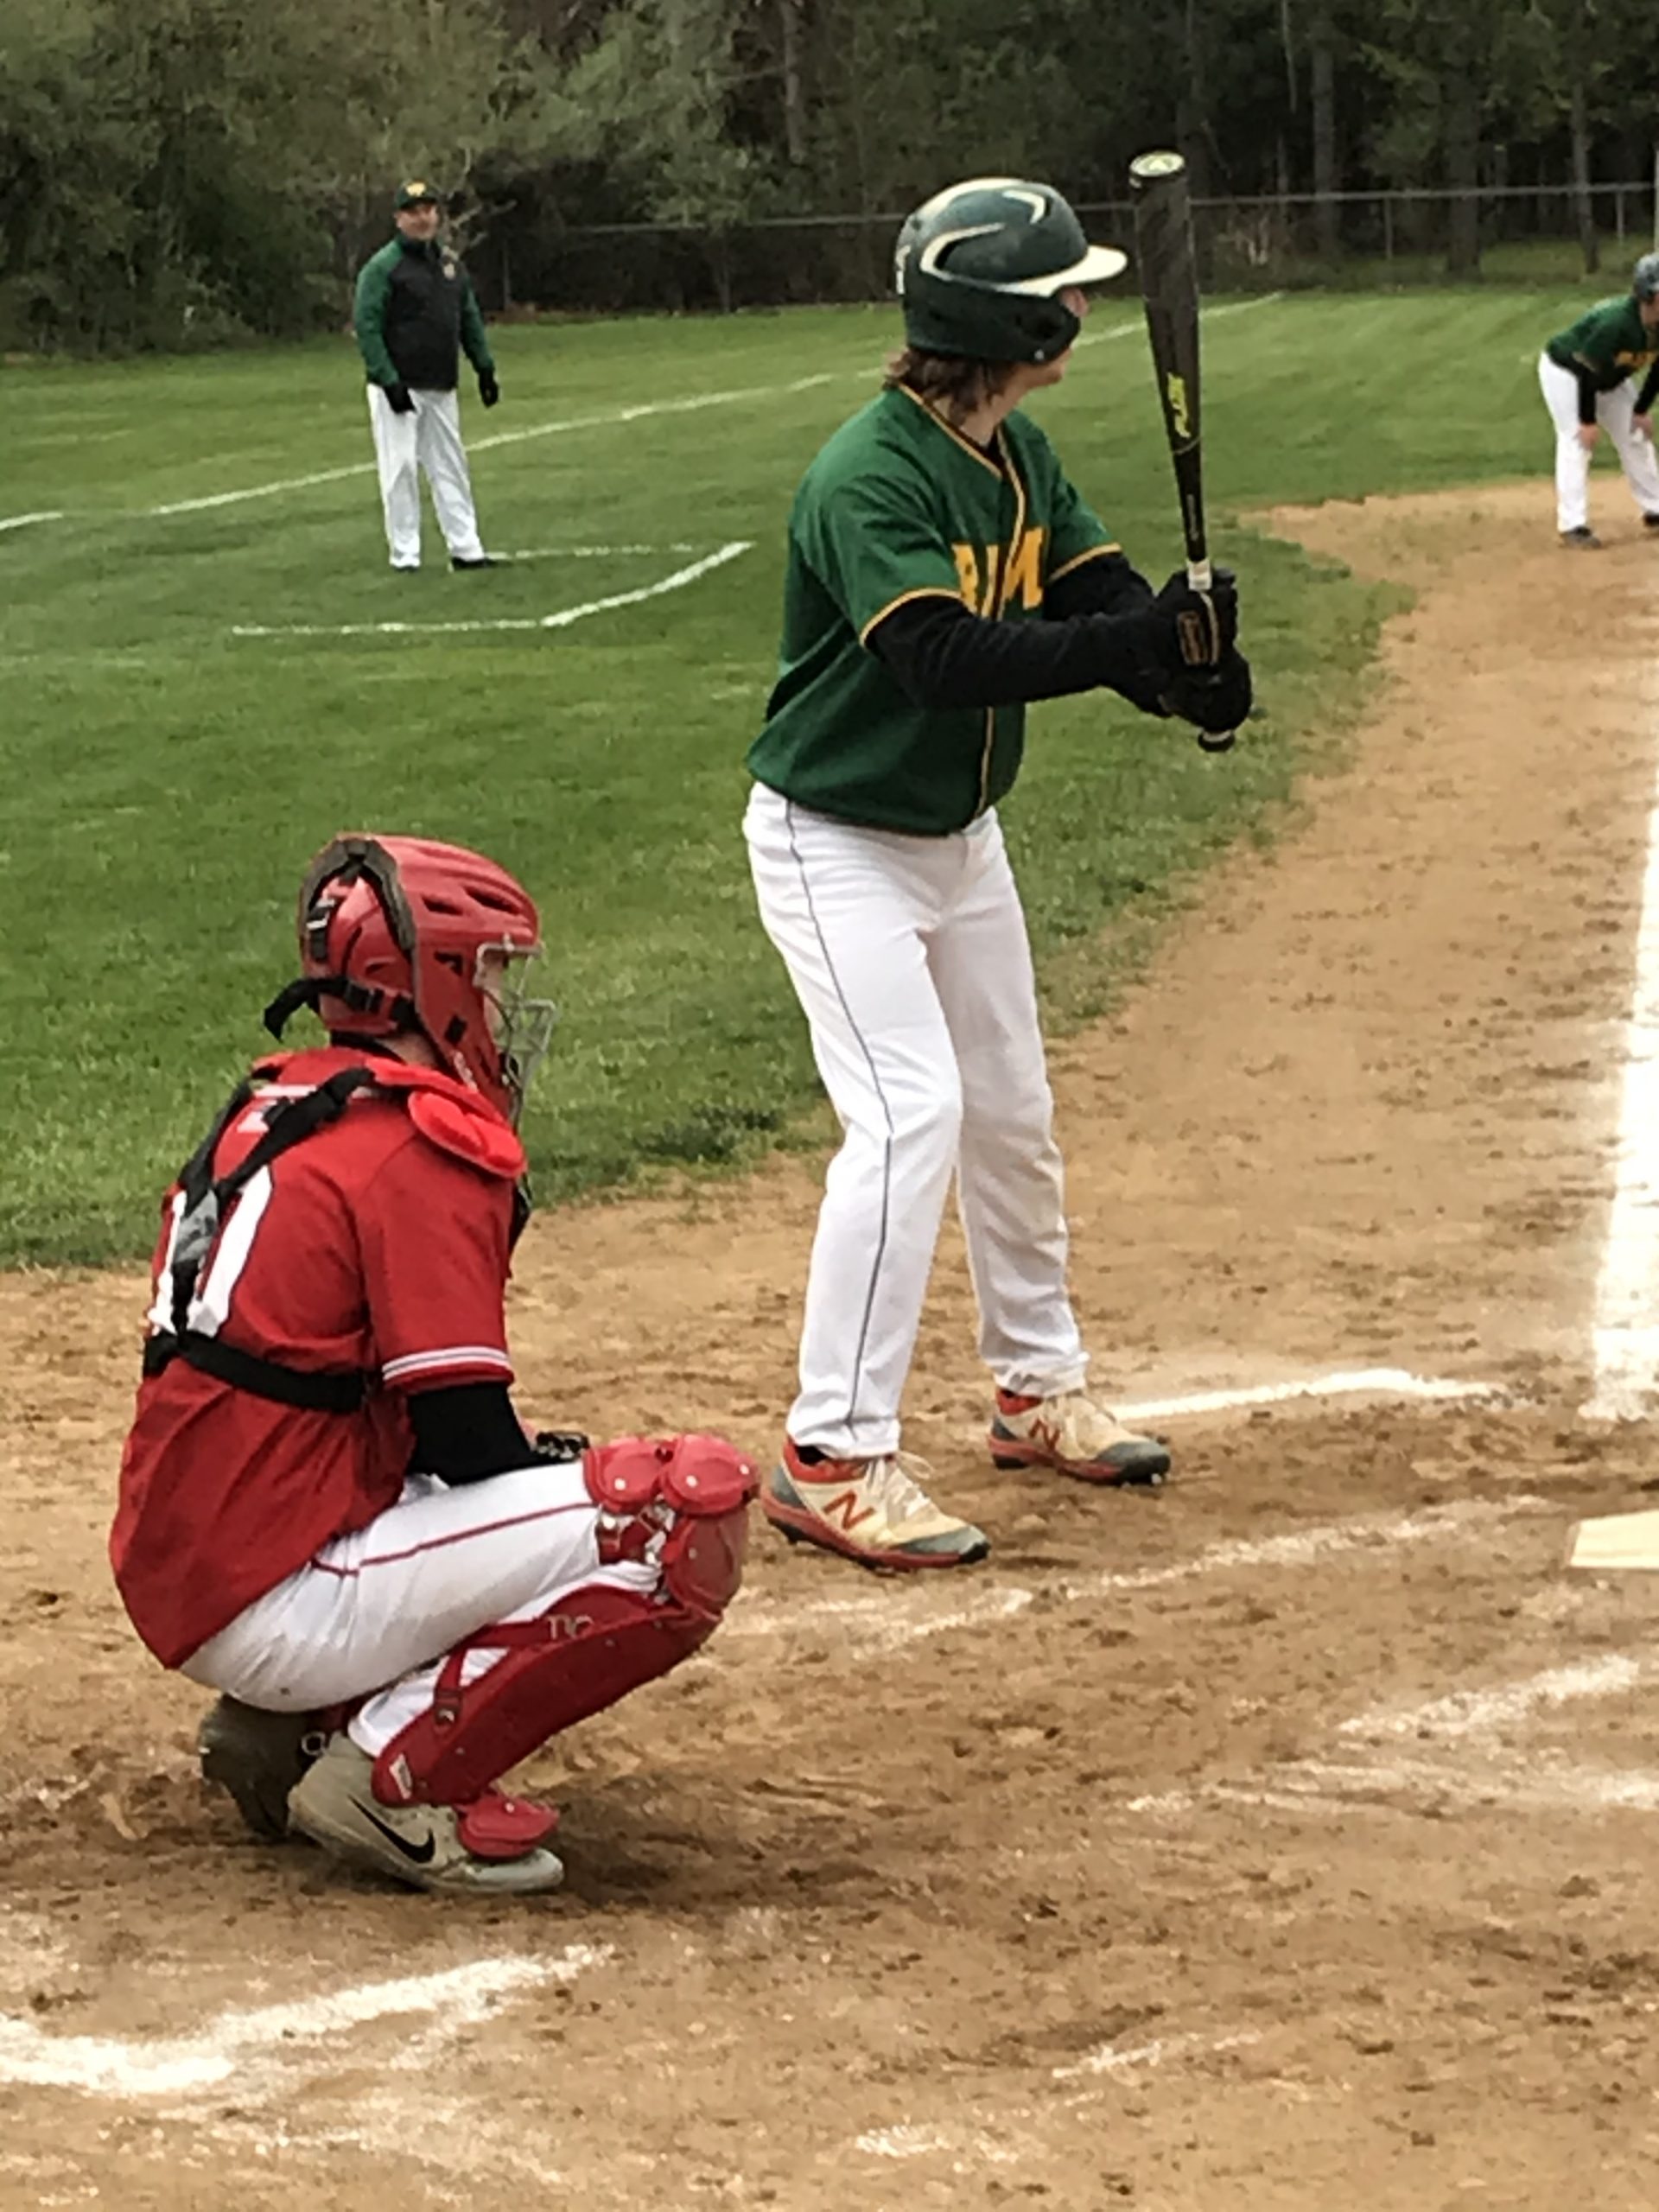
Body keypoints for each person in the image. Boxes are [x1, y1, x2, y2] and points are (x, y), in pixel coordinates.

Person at [742, 175, 1251, 1573]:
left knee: (1010, 1110)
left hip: (959, 841)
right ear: (1007, 317)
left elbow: (1094, 596)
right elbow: (940, 658)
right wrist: (1133, 649)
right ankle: (830, 1455)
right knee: (911, 1117)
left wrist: (1183, 674)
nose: (1080, 309)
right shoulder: (873, 474)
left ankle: (1034, 1387)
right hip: (837, 838)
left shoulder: (1016, 455)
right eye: (1062, 293)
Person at [111, 834, 755, 1895]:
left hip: (191, 1556)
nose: (504, 1004)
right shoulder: (421, 1141)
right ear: (438, 981)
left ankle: (287, 1735)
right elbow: (462, 1437)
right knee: (670, 1514)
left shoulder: (277, 1106)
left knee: (501, 1477)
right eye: (494, 972)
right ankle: (385, 1775)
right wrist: (565, 1484)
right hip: (281, 1593)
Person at [353, 181, 500, 573]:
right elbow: (367, 326)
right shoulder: (383, 268)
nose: (423, 218)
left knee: (451, 464)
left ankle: (466, 547)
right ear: (399, 218)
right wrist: (388, 380)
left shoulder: (450, 265)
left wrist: (483, 366)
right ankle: (405, 553)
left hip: (440, 381)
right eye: (413, 211)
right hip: (399, 385)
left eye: (428, 210)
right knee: (399, 468)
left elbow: (467, 318)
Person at [1539, 254, 1659, 548]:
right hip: (1567, 371)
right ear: (1647, 295)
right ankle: (1573, 525)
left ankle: (1655, 508)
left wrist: (1641, 409)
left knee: (1635, 435)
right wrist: (1588, 420)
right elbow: (1587, 371)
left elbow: (1658, 369)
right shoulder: (1616, 323)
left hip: (1609, 375)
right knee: (1577, 440)